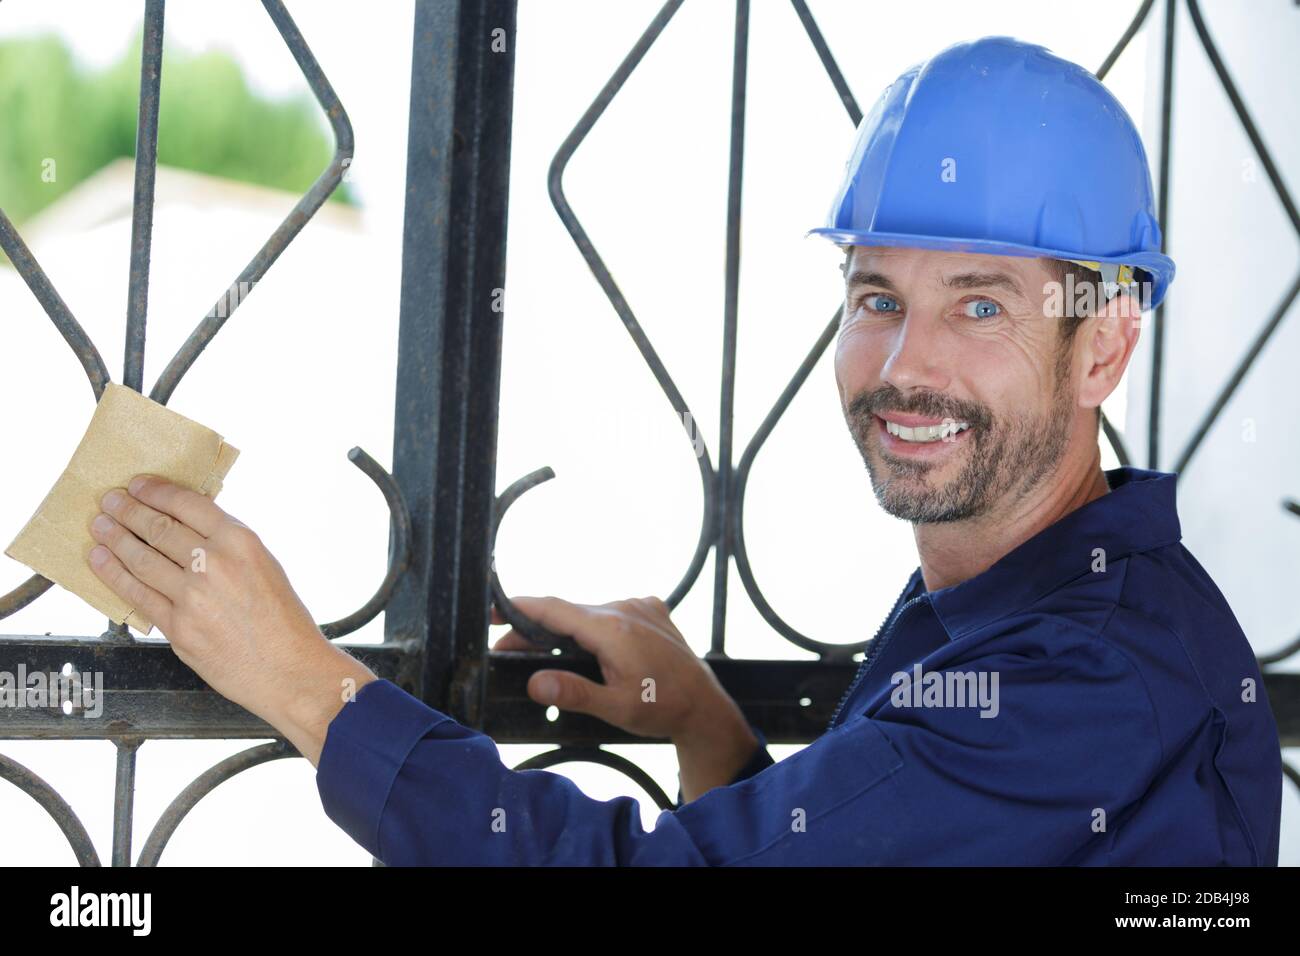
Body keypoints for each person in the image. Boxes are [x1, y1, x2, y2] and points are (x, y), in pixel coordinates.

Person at [85, 36, 1281, 865]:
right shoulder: (1025, 613)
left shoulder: (1081, 682)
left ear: (1104, 346)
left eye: (979, 306)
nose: (908, 364)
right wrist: (712, 730)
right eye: (875, 297)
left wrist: (301, 678)